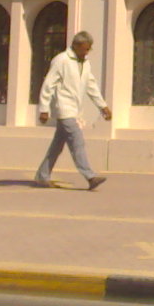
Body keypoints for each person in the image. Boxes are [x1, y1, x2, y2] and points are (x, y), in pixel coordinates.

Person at [33, 30, 111, 190]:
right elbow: (49, 85)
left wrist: (102, 106)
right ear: (75, 46)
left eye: (89, 49)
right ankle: (90, 177)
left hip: (75, 110)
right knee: (77, 142)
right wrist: (44, 108)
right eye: (84, 48)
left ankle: (42, 175)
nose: (86, 52)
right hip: (64, 108)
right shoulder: (61, 61)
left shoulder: (85, 63)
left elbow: (91, 86)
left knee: (57, 145)